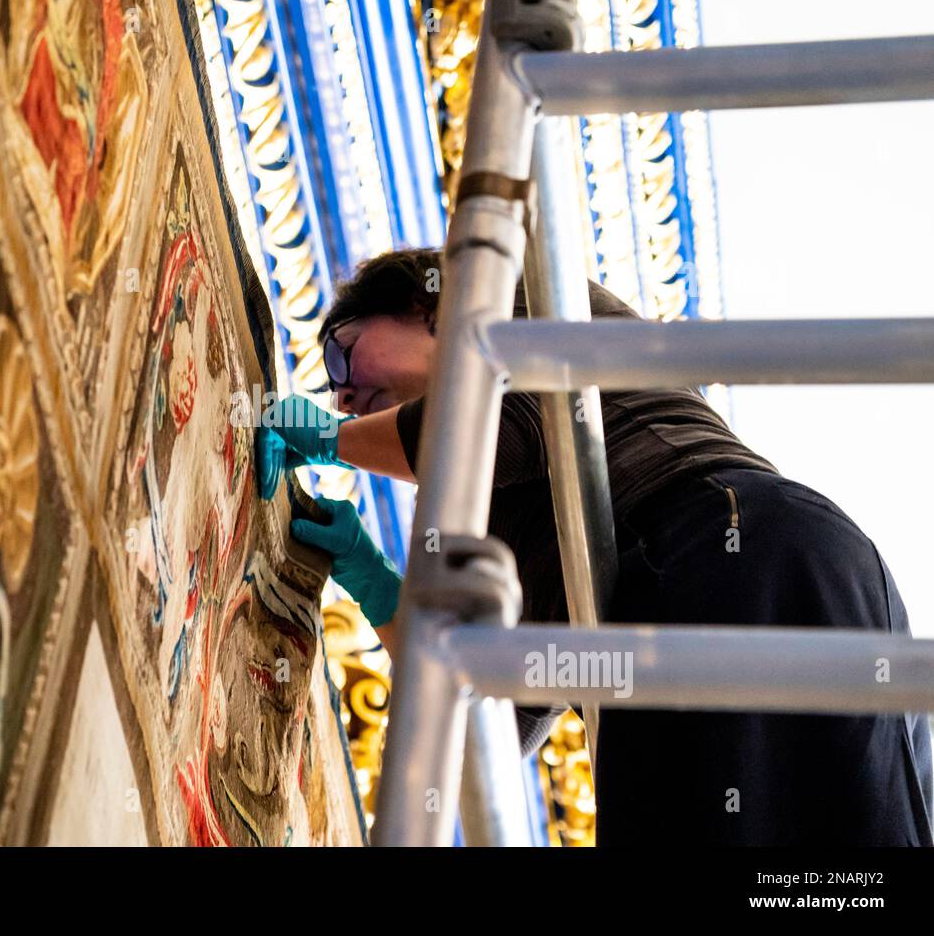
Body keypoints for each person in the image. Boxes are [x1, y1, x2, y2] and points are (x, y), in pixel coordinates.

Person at [256, 247, 934, 846]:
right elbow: (502, 706)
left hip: (729, 544)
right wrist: (375, 583)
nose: (343, 395)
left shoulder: (500, 286)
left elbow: (500, 419)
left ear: (418, 300)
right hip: (655, 641)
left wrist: (335, 444)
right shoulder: (479, 510)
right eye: (338, 400)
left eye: (342, 354)